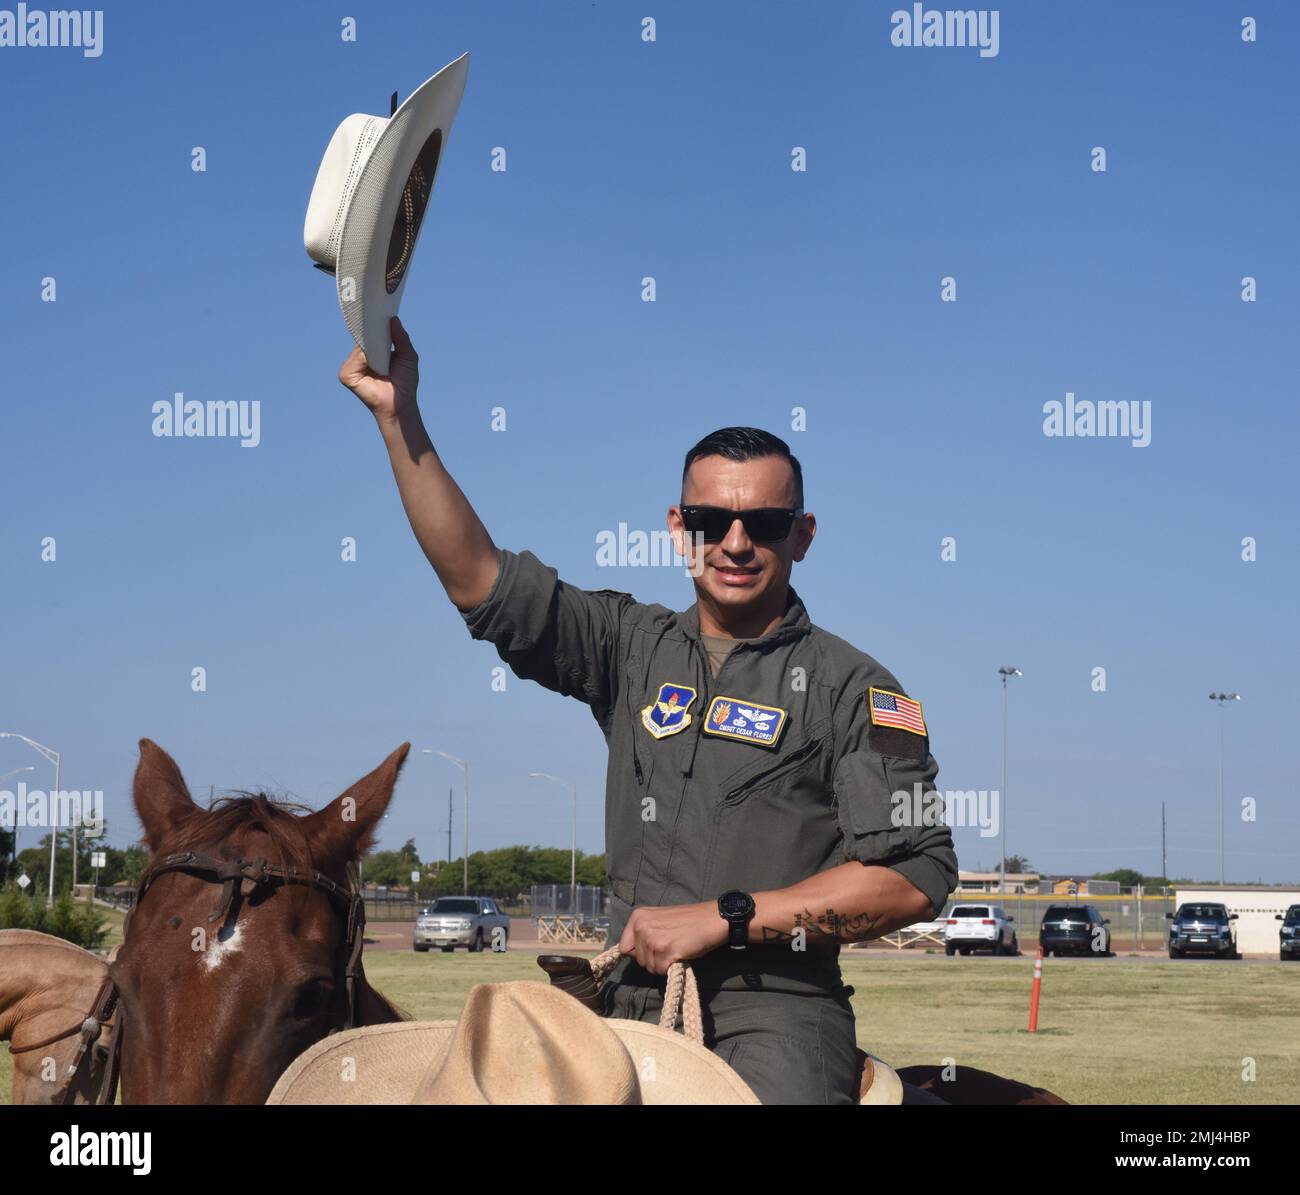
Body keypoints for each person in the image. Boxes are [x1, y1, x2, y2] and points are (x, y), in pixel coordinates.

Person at [340, 318, 958, 1104]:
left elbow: (917, 874)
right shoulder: (627, 645)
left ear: (802, 535)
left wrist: (728, 918)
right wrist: (400, 419)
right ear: (678, 530)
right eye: (710, 521)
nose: (735, 543)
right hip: (616, 995)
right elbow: (482, 584)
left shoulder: (860, 689)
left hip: (776, 1013)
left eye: (764, 524)